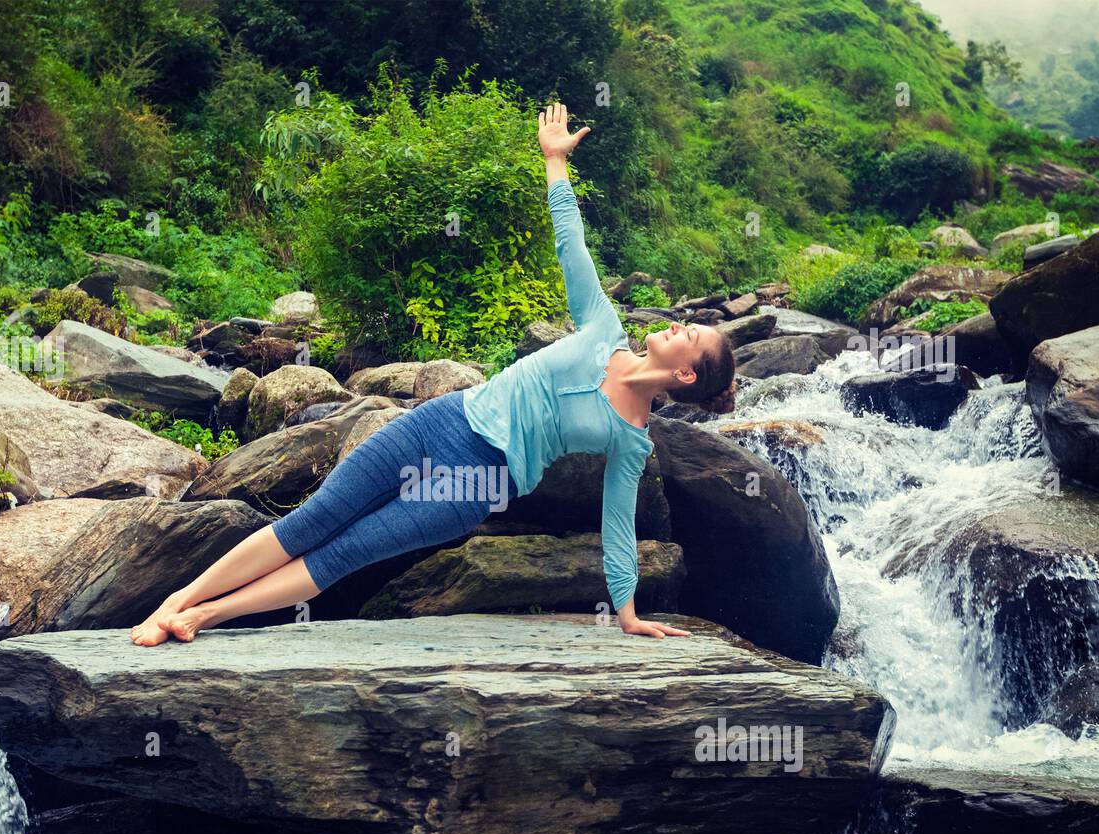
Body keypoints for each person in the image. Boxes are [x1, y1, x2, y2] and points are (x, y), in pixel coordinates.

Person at [131, 103, 736, 646]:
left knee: (344, 554)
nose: (680, 326)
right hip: (445, 419)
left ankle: (205, 619)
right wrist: (555, 162)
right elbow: (569, 242)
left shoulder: (631, 439)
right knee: (313, 520)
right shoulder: (603, 327)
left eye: (692, 337)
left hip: (478, 484)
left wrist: (626, 613)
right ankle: (177, 599)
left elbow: (617, 524)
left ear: (685, 375)